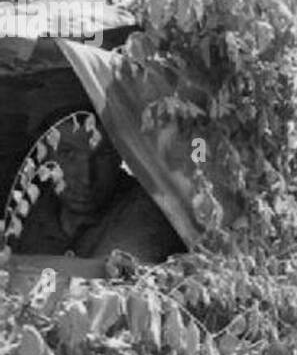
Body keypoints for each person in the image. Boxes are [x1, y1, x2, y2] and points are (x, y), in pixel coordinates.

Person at [10, 110, 182, 263]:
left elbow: (104, 289)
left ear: (121, 156)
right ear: (45, 156)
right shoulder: (28, 205)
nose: (86, 177)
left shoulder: (147, 209)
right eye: (68, 153)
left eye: (103, 155)